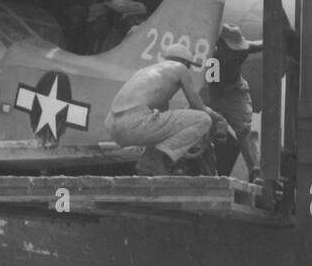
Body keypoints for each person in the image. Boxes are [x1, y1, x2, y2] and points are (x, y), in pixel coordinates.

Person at [104, 42, 227, 174]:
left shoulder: (145, 72)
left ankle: (147, 164)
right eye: (189, 66)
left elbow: (166, 125)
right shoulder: (180, 68)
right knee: (203, 120)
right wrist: (218, 118)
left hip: (113, 126)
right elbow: (199, 107)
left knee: (161, 126)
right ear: (185, 62)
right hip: (134, 123)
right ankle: (155, 159)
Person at [203, 24, 263, 181]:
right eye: (229, 50)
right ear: (220, 45)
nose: (234, 54)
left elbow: (264, 44)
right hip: (215, 94)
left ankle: (256, 171)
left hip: (236, 92)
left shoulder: (243, 50)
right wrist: (217, 119)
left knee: (245, 131)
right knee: (199, 125)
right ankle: (200, 171)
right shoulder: (213, 59)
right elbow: (211, 90)